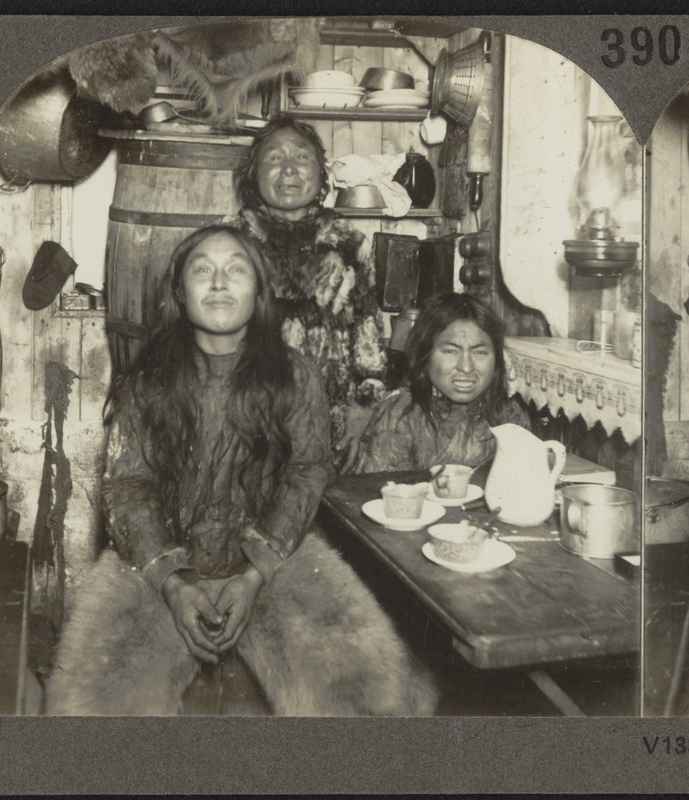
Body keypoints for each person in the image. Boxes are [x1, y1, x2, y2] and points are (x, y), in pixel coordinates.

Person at [49, 226, 435, 716]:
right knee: (86, 710)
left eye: (236, 269)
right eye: (202, 270)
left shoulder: (294, 376)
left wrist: (254, 577)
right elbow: (129, 487)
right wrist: (172, 586)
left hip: (278, 559)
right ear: (178, 293)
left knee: (372, 698)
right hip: (153, 563)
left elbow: (306, 472)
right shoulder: (145, 381)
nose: (218, 282)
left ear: (258, 291)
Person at [228, 116, 384, 469]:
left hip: (330, 423)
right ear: (253, 174)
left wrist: (364, 411)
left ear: (322, 173)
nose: (288, 171)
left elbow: (368, 337)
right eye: (273, 158)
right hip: (248, 422)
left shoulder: (349, 244)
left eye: (301, 158)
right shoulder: (228, 244)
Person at [353, 292, 532, 473]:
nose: (466, 367)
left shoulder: (508, 414)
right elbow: (377, 495)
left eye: (480, 352)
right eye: (450, 351)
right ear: (426, 354)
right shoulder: (400, 416)